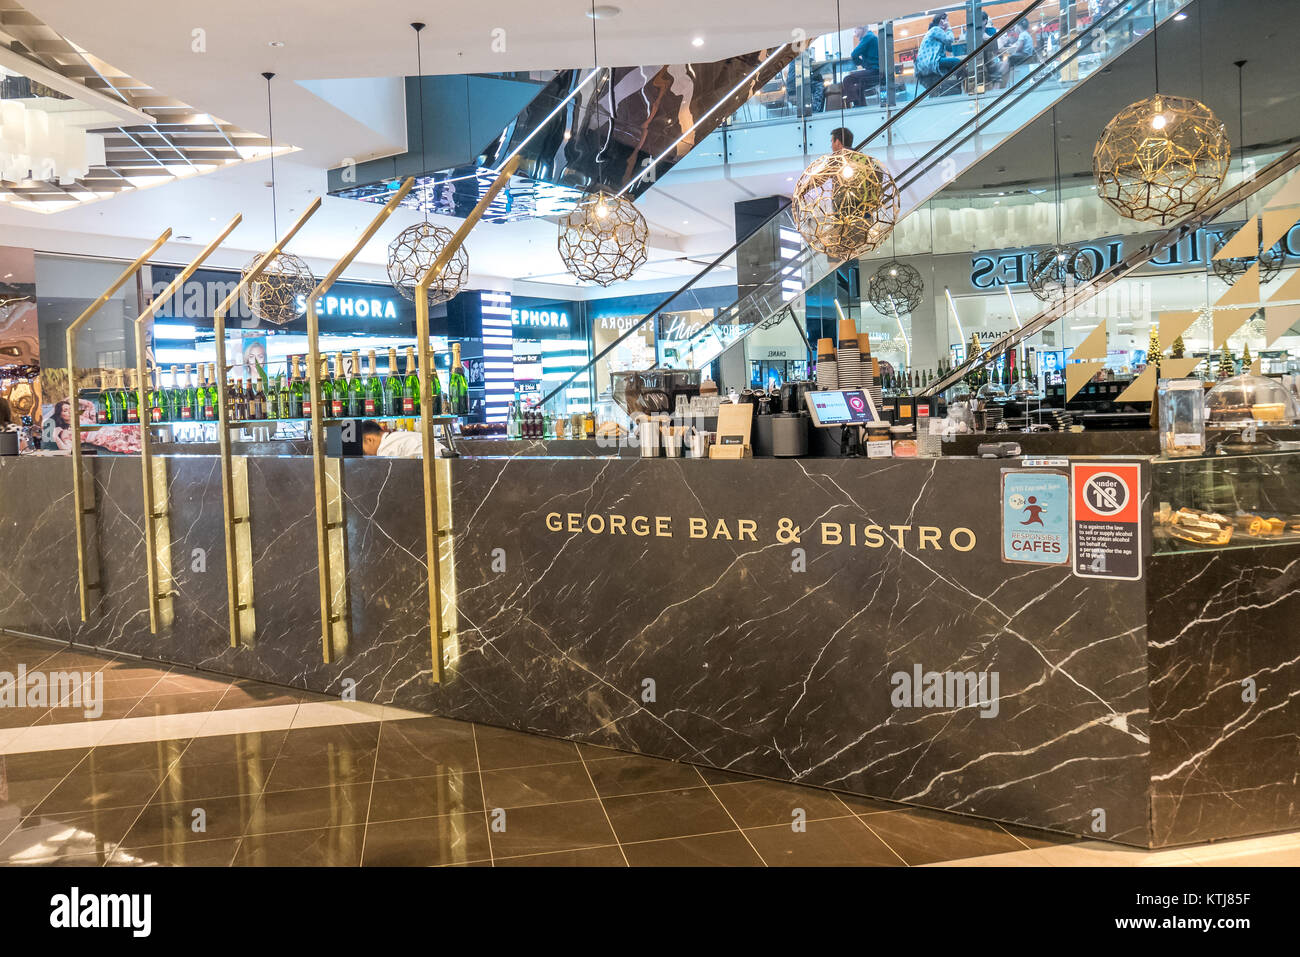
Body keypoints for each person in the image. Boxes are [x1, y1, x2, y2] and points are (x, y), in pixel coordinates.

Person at [915, 13, 960, 91]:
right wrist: (949, 28)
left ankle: (952, 83)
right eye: (947, 20)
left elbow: (950, 48)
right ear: (941, 21)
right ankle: (955, 81)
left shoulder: (938, 32)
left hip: (929, 62)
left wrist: (946, 31)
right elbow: (949, 39)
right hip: (930, 62)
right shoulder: (935, 29)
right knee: (957, 62)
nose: (948, 22)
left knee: (951, 66)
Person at [360, 419, 443, 458]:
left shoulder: (385, 449)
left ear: (369, 439)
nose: (366, 455)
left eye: (363, 451)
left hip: (437, 469)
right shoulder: (396, 436)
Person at [843, 26, 880, 107]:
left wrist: (861, 63)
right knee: (857, 88)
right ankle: (861, 106)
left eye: (855, 29)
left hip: (874, 71)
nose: (854, 32)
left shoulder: (868, 38)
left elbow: (854, 54)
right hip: (877, 71)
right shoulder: (871, 37)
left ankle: (855, 105)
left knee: (847, 80)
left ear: (862, 29)